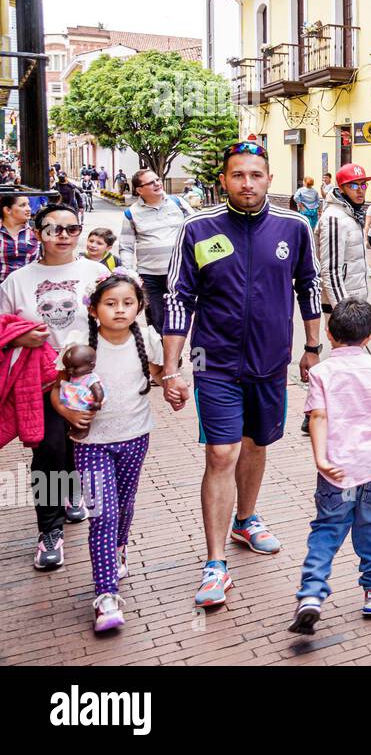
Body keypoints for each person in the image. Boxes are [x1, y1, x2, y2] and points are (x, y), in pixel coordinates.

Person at [162, 140, 322, 608]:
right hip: (212, 363)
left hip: (271, 362)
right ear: (223, 180)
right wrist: (172, 369)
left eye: (256, 175)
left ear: (270, 179)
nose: (247, 183)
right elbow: (178, 298)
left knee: (255, 444)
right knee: (222, 452)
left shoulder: (293, 227)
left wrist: (312, 348)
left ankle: (245, 519)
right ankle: (215, 565)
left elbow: (308, 285)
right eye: (238, 175)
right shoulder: (198, 227)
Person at [0, 203, 109, 569]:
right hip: (40, 381)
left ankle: (72, 491)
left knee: (78, 443)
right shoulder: (17, 282)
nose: (63, 236)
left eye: (72, 228)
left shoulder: (95, 272)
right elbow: (2, 327)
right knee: (48, 450)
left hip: (87, 379)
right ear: (37, 233)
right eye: (54, 229)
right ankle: (50, 531)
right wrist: (19, 339)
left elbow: (120, 316)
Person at [72, 270, 181, 632]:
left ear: (139, 307)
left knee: (124, 503)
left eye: (128, 303)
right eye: (110, 303)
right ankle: (106, 596)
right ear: (93, 309)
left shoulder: (145, 337)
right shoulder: (79, 343)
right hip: (89, 443)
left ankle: (118, 548)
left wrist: (172, 384)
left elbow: (161, 372)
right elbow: (61, 388)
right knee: (102, 513)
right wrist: (70, 413)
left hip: (135, 436)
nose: (119, 310)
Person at [288, 299, 371, 635]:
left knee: (326, 531)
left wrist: (320, 458)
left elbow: (317, 416)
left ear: (330, 335)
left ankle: (311, 593)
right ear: (369, 337)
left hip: (335, 472)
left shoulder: (320, 373)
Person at [118, 168, 191, 331]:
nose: (157, 183)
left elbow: (197, 230)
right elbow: (126, 247)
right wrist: (130, 274)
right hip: (151, 277)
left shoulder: (178, 203)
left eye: (157, 179)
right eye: (151, 182)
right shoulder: (131, 213)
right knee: (158, 321)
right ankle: (162, 354)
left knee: (181, 318)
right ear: (139, 190)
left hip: (180, 274)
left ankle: (176, 355)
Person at [317, 163, 371, 311]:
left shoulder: (353, 213)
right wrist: (344, 311)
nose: (360, 190)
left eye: (363, 185)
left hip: (356, 300)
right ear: (341, 188)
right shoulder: (334, 218)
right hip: (342, 304)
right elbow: (331, 271)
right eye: (353, 186)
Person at [0, 194, 40, 283]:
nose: (29, 209)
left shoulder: (36, 231)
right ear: (7, 210)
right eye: (22, 205)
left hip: (28, 287)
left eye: (28, 204)